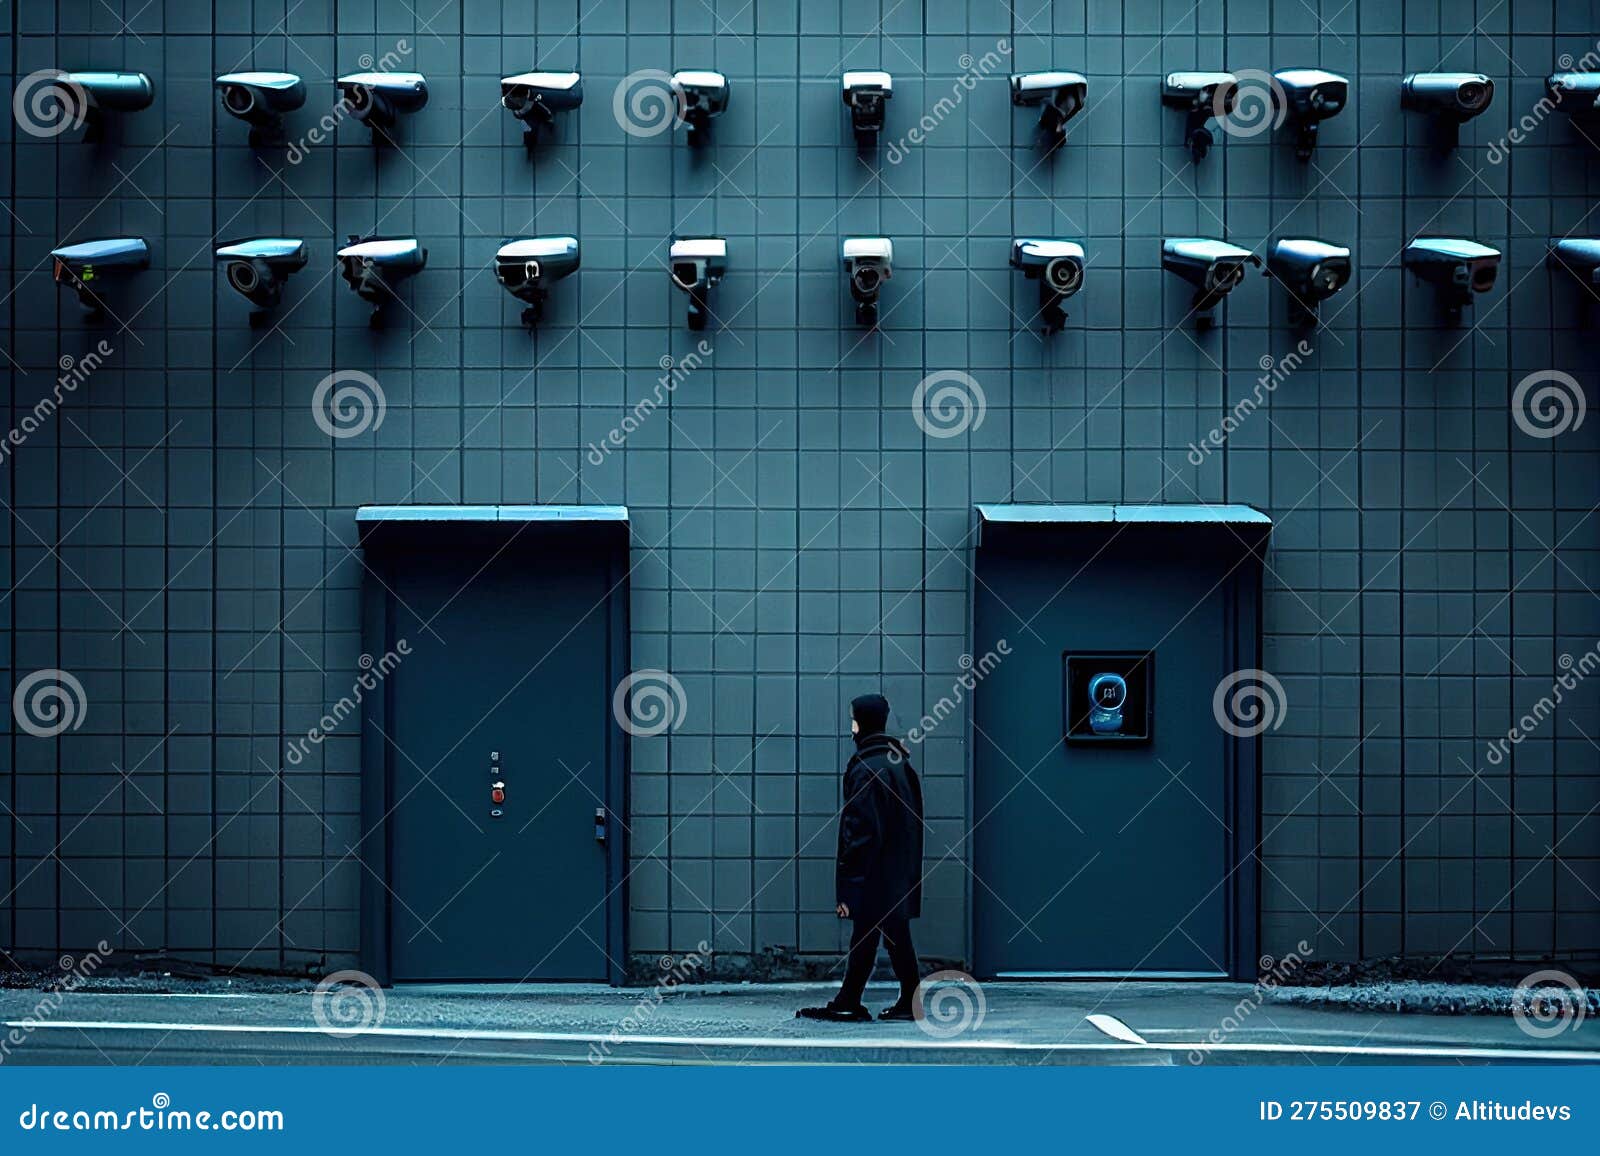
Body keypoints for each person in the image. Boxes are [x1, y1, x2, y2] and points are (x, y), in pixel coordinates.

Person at [797, 693, 925, 1023]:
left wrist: (850, 888)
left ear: (861, 724)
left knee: (869, 935)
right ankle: (886, 999)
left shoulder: (868, 770)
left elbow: (860, 834)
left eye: (853, 720)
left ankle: (850, 1001)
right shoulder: (898, 765)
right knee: (893, 935)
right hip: (896, 871)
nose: (851, 728)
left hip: (875, 874)